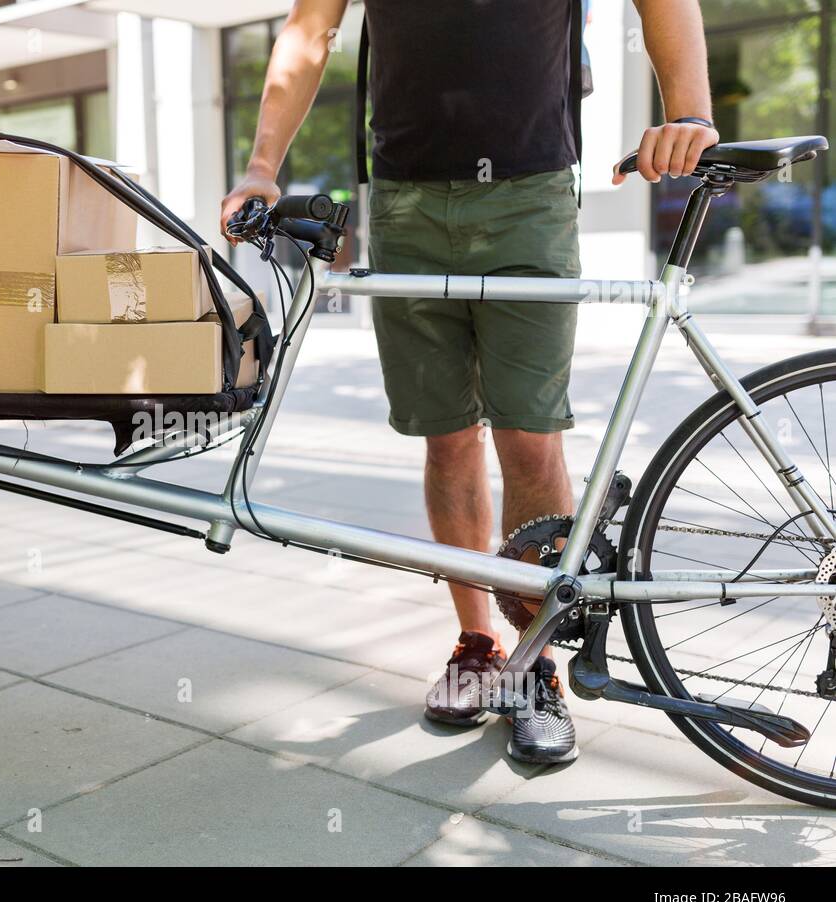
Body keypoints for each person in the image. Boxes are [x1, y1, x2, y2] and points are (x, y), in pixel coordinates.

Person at [220, 0, 718, 763]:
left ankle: (534, 666)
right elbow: (308, 29)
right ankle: (480, 642)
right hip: (404, 197)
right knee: (447, 438)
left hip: (530, 192)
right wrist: (261, 167)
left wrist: (690, 112)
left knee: (530, 439)